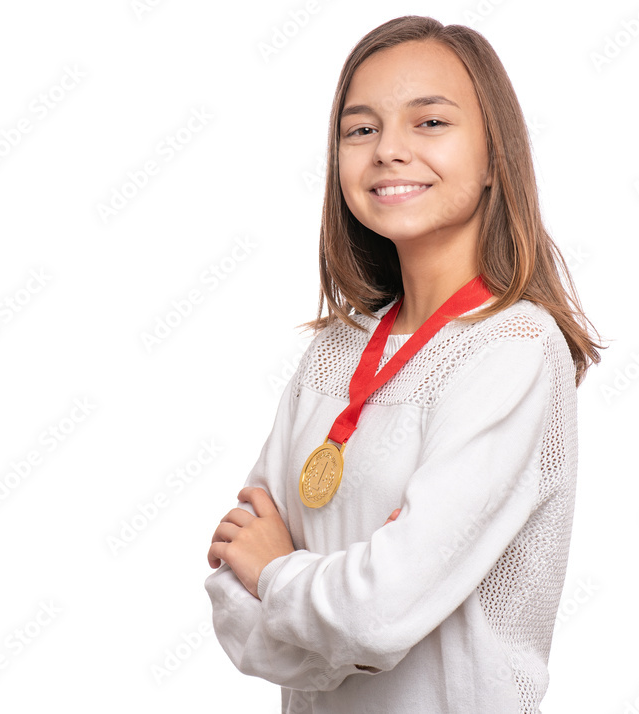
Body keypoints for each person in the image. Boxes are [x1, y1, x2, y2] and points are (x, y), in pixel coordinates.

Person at [204, 14, 605, 713]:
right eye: (361, 129)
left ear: (493, 159)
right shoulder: (332, 352)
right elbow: (231, 595)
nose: (388, 149)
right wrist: (332, 611)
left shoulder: (514, 349)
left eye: (430, 123)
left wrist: (281, 574)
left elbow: (378, 615)